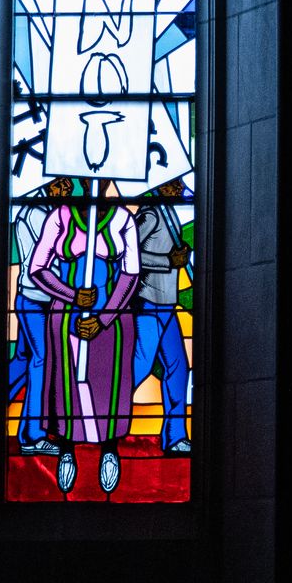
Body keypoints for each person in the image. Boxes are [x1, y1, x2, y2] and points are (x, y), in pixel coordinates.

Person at [28, 184, 143, 494]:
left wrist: (104, 319)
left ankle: (110, 450)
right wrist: (71, 295)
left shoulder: (122, 221)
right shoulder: (60, 218)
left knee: (110, 383)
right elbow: (37, 269)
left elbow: (130, 275)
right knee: (64, 384)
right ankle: (67, 450)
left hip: (112, 317)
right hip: (66, 314)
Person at [131, 178, 194, 455]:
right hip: (149, 302)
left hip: (166, 304)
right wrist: (169, 261)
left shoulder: (167, 211)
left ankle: (175, 436)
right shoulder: (150, 213)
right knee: (138, 368)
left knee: (179, 369)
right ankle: (101, 419)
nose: (181, 188)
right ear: (162, 186)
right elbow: (130, 253)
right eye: (176, 184)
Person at [6, 184, 66, 458]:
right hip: (36, 298)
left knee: (23, 359)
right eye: (59, 182)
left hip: (35, 297)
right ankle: (32, 435)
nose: (65, 187)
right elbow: (58, 254)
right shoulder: (38, 214)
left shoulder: (37, 209)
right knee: (43, 360)